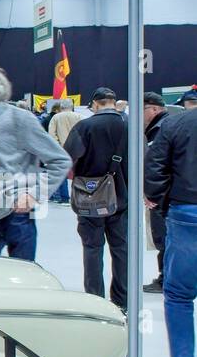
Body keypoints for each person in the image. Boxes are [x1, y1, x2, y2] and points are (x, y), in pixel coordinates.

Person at [0, 66, 72, 261]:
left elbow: (60, 160)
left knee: (23, 276)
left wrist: (34, 195)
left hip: (17, 215)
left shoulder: (21, 119)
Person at [144, 97, 197, 357]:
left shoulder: (176, 123)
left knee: (178, 295)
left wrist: (163, 204)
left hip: (186, 213)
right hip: (182, 211)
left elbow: (154, 167)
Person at [65, 87, 129, 310]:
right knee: (121, 249)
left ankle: (95, 301)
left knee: (92, 249)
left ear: (95, 104)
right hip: (123, 199)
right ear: (113, 102)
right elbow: (145, 160)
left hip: (90, 199)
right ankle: (122, 301)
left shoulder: (85, 126)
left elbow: (67, 158)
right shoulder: (130, 126)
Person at [142, 91, 171, 294]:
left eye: (141, 110)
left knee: (164, 238)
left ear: (154, 109)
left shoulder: (161, 129)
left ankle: (166, 279)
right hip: (169, 194)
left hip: (163, 196)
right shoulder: (160, 127)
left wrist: (152, 192)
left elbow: (157, 164)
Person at [47, 99, 82, 203]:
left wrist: (58, 146)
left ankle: (64, 198)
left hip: (61, 149)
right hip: (78, 149)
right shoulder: (79, 117)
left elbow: (51, 135)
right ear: (72, 106)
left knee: (62, 174)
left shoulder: (56, 117)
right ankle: (79, 196)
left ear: (61, 107)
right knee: (79, 173)